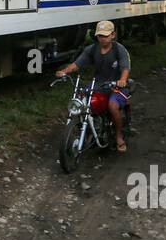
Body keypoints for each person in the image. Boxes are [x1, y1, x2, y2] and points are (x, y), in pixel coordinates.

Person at [55, 19, 131, 152]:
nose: (102, 38)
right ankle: (88, 127)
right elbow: (77, 64)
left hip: (116, 86)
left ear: (113, 35)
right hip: (98, 84)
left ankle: (119, 136)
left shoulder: (119, 49)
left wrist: (122, 80)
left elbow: (125, 68)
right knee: (80, 100)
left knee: (112, 106)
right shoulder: (91, 49)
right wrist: (64, 71)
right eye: (100, 35)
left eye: (105, 35)